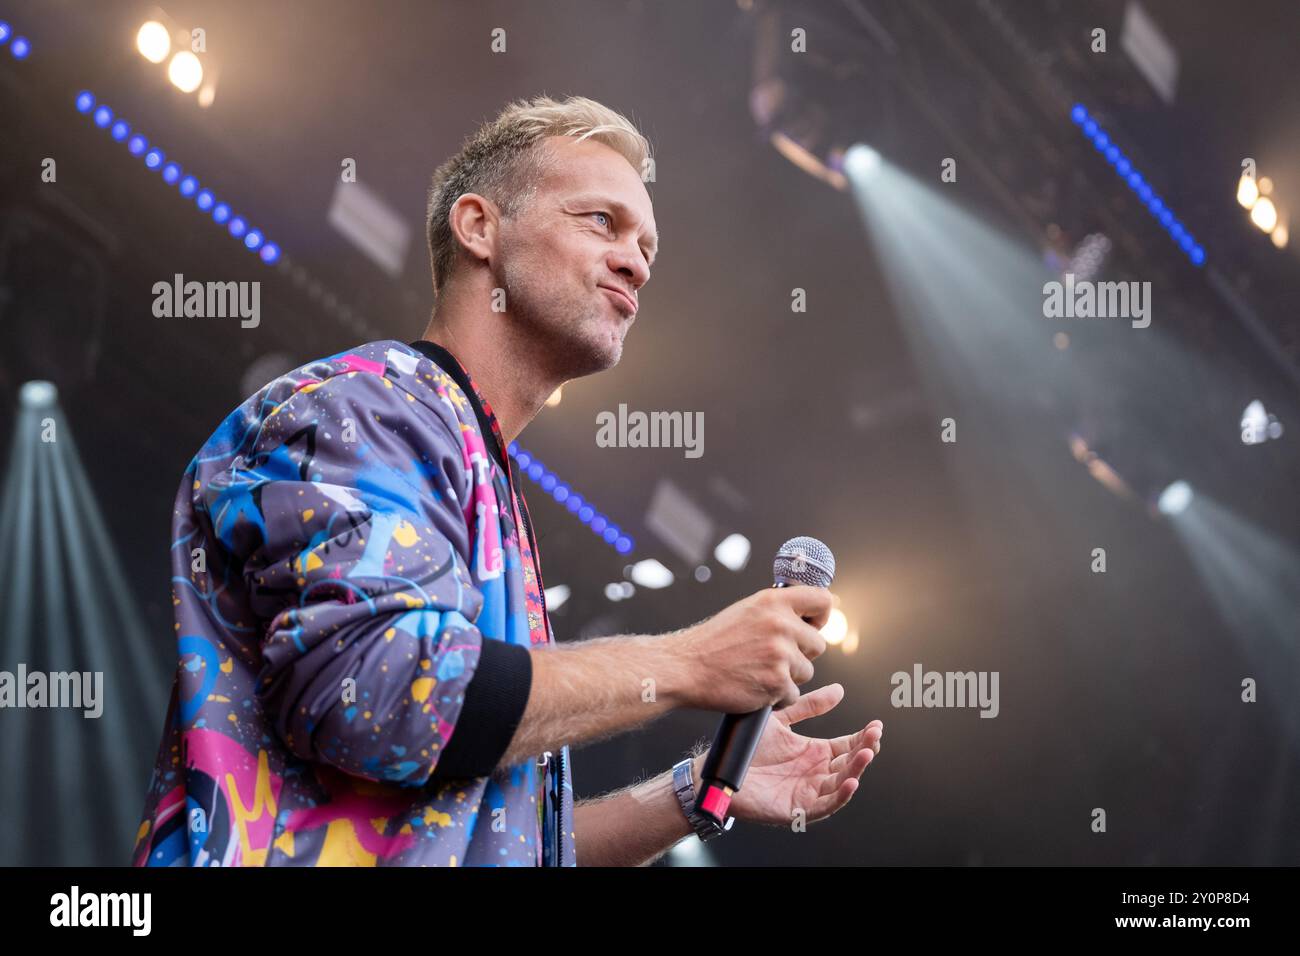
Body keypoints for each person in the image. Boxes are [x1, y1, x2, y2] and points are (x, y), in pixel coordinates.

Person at [132, 95, 883, 867]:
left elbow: (510, 847)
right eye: (601, 222)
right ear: (479, 227)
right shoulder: (361, 408)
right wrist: (690, 663)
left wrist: (692, 793)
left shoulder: (482, 480)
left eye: (647, 247)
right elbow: (386, 697)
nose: (636, 261)